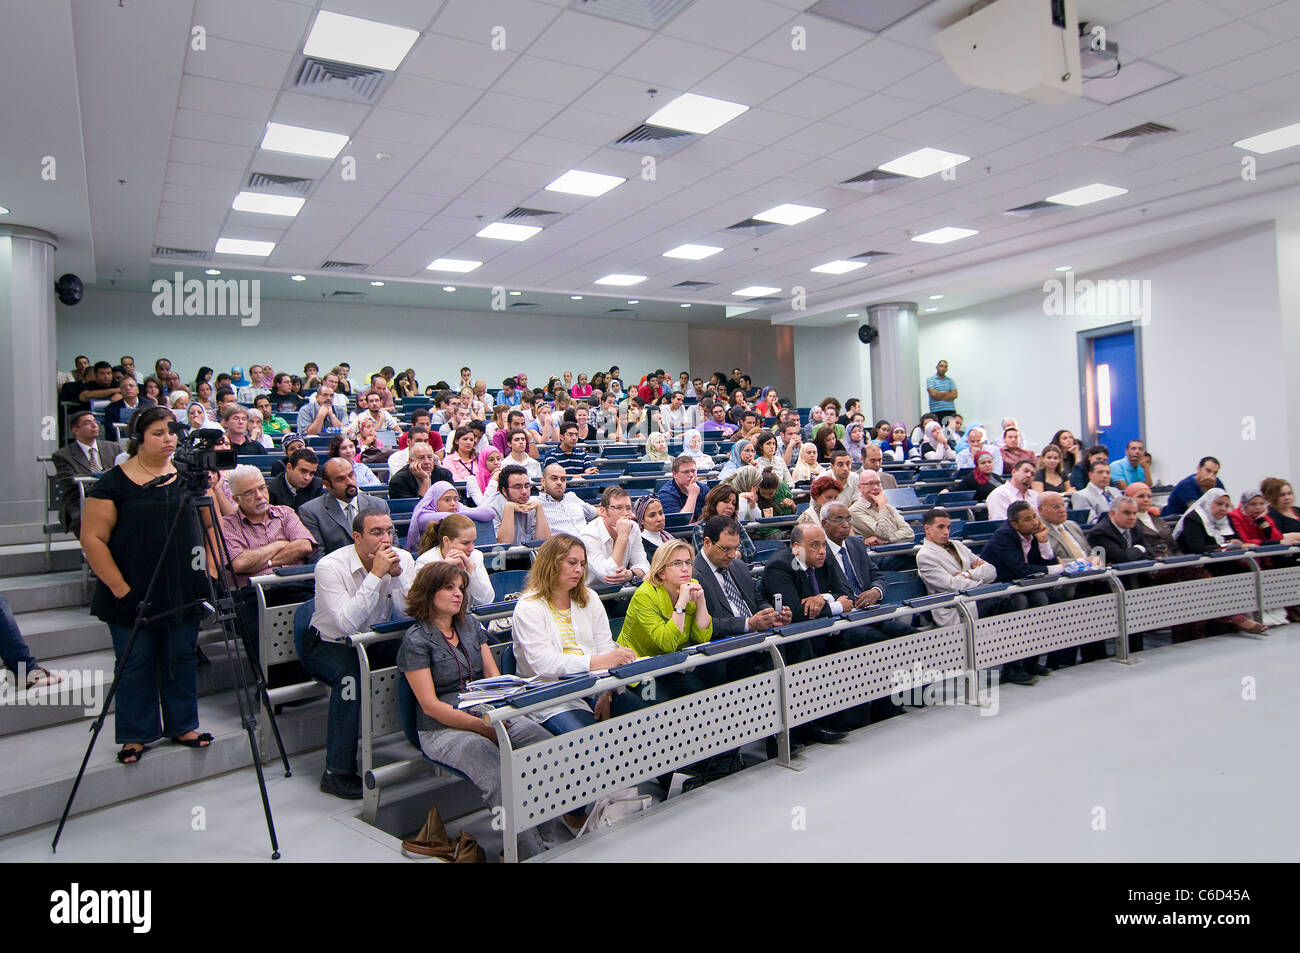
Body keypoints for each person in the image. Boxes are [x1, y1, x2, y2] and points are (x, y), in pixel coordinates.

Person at [79, 406, 215, 764]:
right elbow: (92, 538)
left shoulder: (188, 477)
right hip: (130, 589)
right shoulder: (113, 482)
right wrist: (121, 588)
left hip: (181, 587)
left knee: (181, 656)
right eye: (158, 432)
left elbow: (211, 522)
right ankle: (136, 733)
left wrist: (210, 486)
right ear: (139, 438)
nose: (168, 438)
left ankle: (183, 725)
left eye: (172, 432)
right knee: (134, 660)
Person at [510, 535, 644, 736]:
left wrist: (605, 693)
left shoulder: (590, 597)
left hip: (595, 686)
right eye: (572, 563)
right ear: (550, 564)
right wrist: (600, 661)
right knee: (591, 739)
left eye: (582, 564)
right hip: (550, 695)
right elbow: (543, 664)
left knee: (644, 721)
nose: (579, 570)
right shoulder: (528, 606)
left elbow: (604, 645)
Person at [616, 540, 716, 699]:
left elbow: (702, 637)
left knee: (704, 698)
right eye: (677, 563)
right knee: (666, 706)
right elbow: (667, 643)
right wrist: (682, 602)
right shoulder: (645, 595)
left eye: (688, 562)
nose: (685, 569)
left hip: (672, 666)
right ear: (661, 572)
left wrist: (701, 601)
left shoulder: (692, 585)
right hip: (639, 669)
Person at [980, 501, 1063, 684]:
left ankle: (1030, 661)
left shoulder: (1030, 534)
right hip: (993, 594)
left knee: (1041, 598)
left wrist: (1043, 542)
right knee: (1020, 603)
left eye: (1034, 516)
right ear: (1014, 524)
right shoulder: (1004, 536)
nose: (1034, 522)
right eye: (1028, 519)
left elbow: (1042, 565)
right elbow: (1021, 570)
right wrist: (1057, 568)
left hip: (1018, 587)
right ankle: (1012, 668)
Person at [915, 507, 1030, 631]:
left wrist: (967, 574)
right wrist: (980, 580)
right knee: (1016, 601)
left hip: (977, 597)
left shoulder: (957, 545)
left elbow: (991, 571)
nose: (946, 532)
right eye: (941, 527)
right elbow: (951, 585)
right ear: (927, 528)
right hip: (956, 607)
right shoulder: (925, 555)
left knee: (1026, 597)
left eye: (948, 527)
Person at [219, 466, 316, 587]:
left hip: (296, 584)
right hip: (255, 592)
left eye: (262, 488)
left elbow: (304, 546)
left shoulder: (286, 513)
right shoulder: (227, 525)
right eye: (249, 493)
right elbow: (239, 564)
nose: (260, 496)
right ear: (236, 499)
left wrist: (269, 562)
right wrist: (280, 544)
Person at [299, 458, 391, 556]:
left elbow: (392, 545)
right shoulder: (311, 511)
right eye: (341, 479)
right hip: (337, 569)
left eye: (351, 475)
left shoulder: (379, 505)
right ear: (327, 484)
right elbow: (317, 557)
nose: (350, 482)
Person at [53, 410, 122, 533]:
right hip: (81, 498)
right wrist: (99, 476)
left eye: (95, 422)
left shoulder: (113, 447)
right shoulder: (63, 455)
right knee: (88, 516)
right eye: (87, 423)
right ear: (76, 430)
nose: (95, 425)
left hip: (112, 496)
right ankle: (92, 549)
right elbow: (67, 481)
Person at [414, 514, 493, 606]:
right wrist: (443, 568)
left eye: (473, 542)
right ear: (446, 541)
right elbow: (419, 602)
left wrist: (472, 572)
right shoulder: (425, 561)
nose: (472, 548)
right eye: (465, 543)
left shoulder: (475, 556)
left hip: (466, 617)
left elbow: (487, 600)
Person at [580, 487, 650, 586]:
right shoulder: (588, 535)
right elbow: (609, 576)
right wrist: (622, 537)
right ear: (603, 511)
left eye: (628, 508)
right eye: (618, 508)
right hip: (594, 594)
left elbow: (644, 565)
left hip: (622, 591)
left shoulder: (633, 526)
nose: (625, 513)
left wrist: (631, 574)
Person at [407, 480, 494, 551]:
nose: (453, 503)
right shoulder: (423, 514)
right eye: (447, 500)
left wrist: (460, 513)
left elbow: (490, 513)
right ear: (435, 500)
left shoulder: (458, 508)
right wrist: (459, 515)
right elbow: (435, 518)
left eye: (456, 499)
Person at [693, 484, 757, 562]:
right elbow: (706, 559)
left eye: (733, 503)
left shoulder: (735, 524)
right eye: (726, 502)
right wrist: (737, 554)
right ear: (714, 502)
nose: (730, 506)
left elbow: (751, 551)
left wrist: (734, 555)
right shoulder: (700, 528)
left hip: (736, 570)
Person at [490, 464, 550, 545]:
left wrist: (539, 508)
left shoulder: (533, 503)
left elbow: (544, 543)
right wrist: (509, 508)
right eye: (518, 487)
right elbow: (504, 545)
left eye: (527, 486)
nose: (524, 492)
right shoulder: (492, 508)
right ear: (504, 491)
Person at [849, 471, 913, 545]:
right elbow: (883, 534)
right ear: (860, 487)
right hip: (878, 555)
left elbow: (909, 533)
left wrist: (887, 540)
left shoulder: (888, 507)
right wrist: (882, 507)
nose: (876, 487)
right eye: (870, 484)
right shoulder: (854, 511)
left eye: (878, 483)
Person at [1087, 496, 1150, 565]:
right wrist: (1140, 548)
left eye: (1134, 513)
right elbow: (1123, 559)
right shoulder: (1100, 533)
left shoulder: (1135, 526)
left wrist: (1133, 553)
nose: (1132, 517)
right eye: (1127, 513)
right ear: (1112, 513)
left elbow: (1150, 555)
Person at [539, 464, 598, 537]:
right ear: (543, 482)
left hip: (588, 542)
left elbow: (596, 512)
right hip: (563, 546)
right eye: (554, 478)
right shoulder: (536, 503)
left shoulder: (571, 497)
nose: (559, 483)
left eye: (563, 479)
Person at [388, 442, 453, 500]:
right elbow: (416, 507)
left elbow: (453, 500)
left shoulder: (444, 474)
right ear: (411, 461)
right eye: (421, 458)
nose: (427, 462)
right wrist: (425, 479)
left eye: (430, 457)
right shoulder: (399, 480)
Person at [658, 455, 708, 522]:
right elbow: (680, 523)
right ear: (675, 474)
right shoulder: (666, 494)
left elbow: (713, 514)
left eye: (693, 471)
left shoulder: (703, 488)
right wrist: (693, 495)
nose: (691, 475)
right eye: (686, 472)